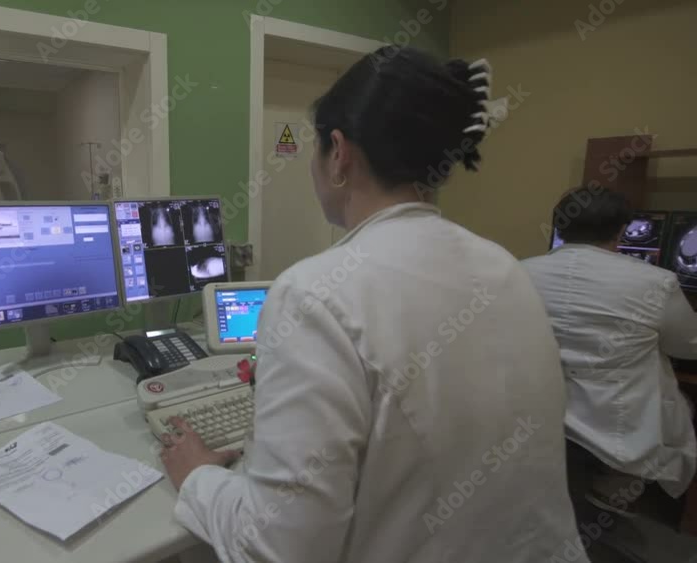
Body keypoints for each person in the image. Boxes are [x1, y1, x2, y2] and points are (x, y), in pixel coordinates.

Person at [159, 46, 583, 563]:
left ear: (338, 153)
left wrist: (197, 477)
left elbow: (278, 548)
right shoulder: (506, 268)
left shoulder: (314, 294)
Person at [523, 187, 697, 512]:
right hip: (613, 427)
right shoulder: (656, 283)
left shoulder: (521, 271)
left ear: (560, 228)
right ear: (621, 230)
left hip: (536, 414)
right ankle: (613, 491)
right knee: (680, 402)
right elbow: (689, 347)